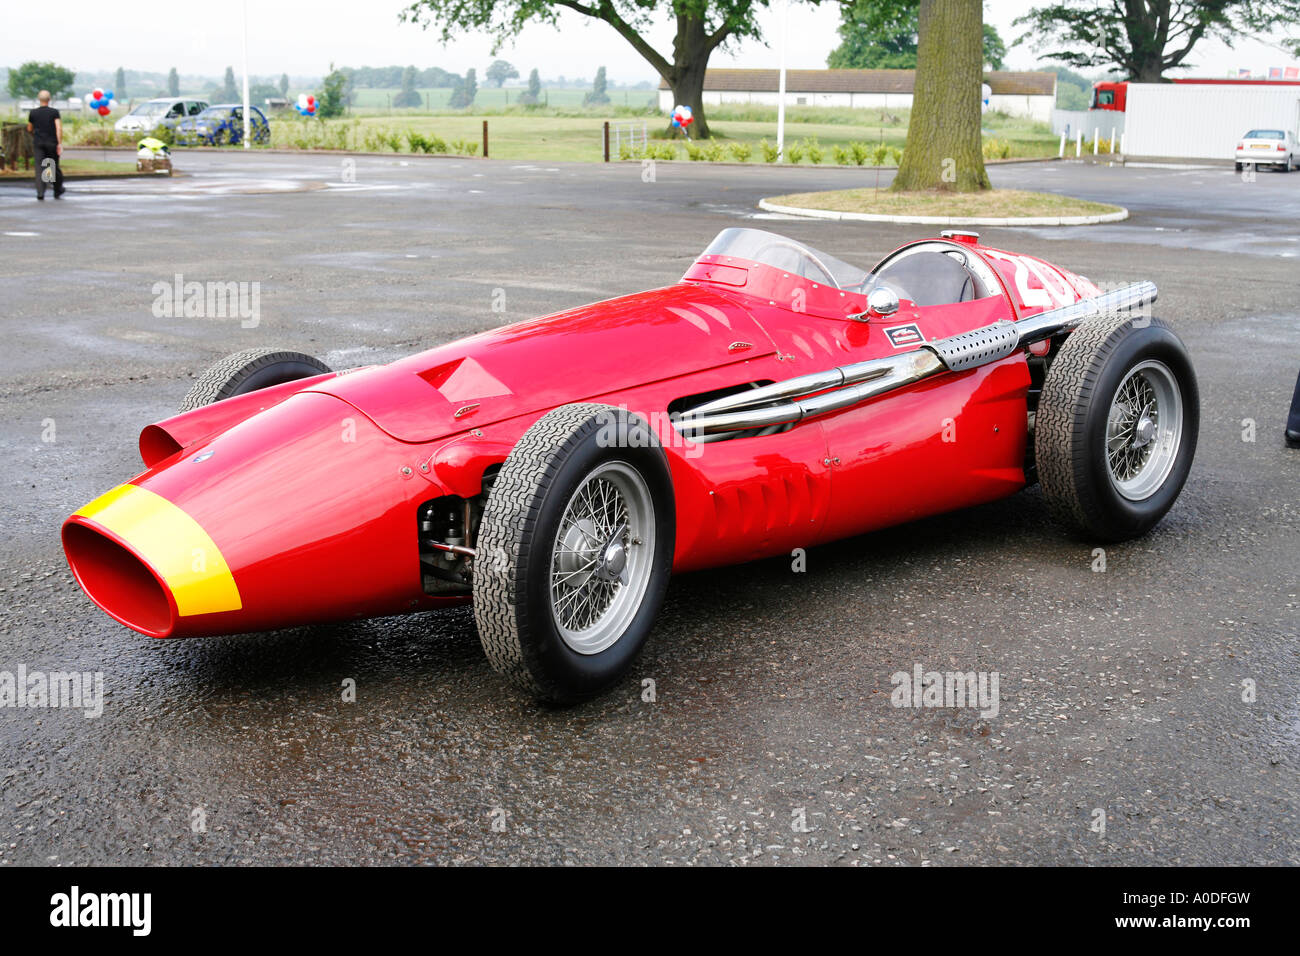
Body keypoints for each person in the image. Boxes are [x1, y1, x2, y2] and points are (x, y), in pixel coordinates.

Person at [27, 90, 64, 200]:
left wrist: (34, 134)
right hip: (51, 142)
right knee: (52, 165)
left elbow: (29, 128)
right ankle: (57, 189)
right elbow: (59, 128)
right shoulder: (54, 112)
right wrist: (59, 143)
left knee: (39, 167)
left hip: (38, 143)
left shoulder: (33, 112)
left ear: (39, 99)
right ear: (49, 99)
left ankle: (40, 192)